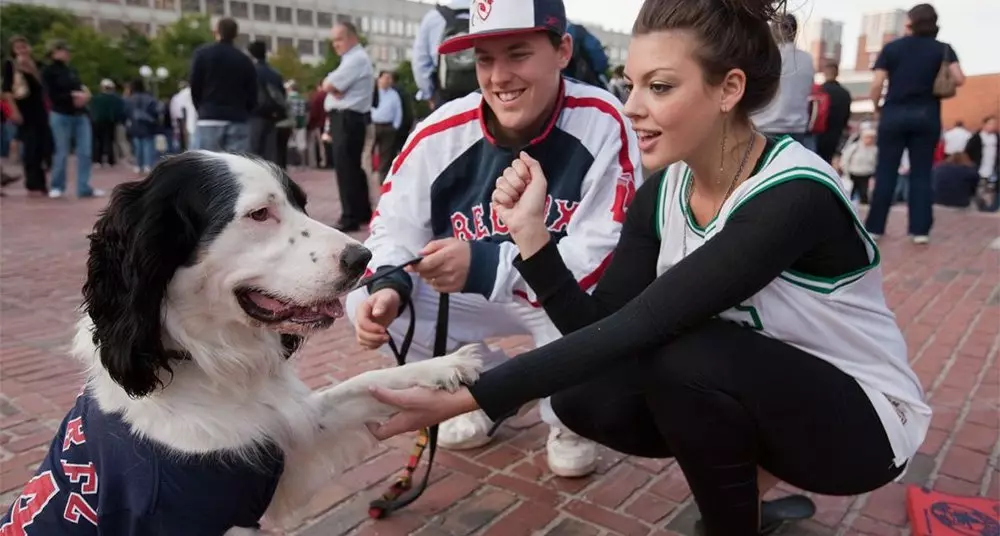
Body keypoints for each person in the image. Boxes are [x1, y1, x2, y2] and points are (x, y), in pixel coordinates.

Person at [363, 0, 931, 534]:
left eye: (660, 87)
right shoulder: (664, 190)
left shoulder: (793, 194)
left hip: (866, 426)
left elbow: (645, 324)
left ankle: (735, 516)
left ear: (729, 88)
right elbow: (592, 328)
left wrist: (471, 395)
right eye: (631, 84)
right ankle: (745, 501)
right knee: (584, 396)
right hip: (767, 394)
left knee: (686, 352)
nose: (632, 106)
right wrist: (532, 237)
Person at [347, 0, 642, 478]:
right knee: (363, 295)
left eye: (518, 54)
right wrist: (388, 285)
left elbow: (601, 257)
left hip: (555, 294)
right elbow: (392, 226)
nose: (499, 76)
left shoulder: (604, 120)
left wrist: (486, 264)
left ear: (562, 50)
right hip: (472, 291)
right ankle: (491, 392)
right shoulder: (440, 130)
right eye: (485, 58)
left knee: (595, 298)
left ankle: (567, 417)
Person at [864, 3, 965, 244]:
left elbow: (877, 83)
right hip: (927, 116)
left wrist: (877, 106)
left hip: (894, 115)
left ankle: (875, 227)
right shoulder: (943, 49)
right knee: (921, 174)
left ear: (910, 22)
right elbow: (960, 79)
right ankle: (920, 231)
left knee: (886, 172)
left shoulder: (892, 48)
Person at [321, 21, 375, 232]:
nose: (336, 44)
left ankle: (349, 216)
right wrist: (330, 86)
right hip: (349, 118)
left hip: (347, 118)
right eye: (334, 40)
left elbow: (329, 85)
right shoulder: (351, 60)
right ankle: (361, 212)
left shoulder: (356, 59)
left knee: (346, 169)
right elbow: (329, 85)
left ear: (353, 38)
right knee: (352, 167)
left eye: (340, 39)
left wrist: (331, 86)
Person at [189, 17, 257, 153]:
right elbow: (252, 92)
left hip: (210, 116)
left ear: (216, 32)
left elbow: (195, 85)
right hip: (237, 117)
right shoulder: (244, 60)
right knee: (235, 166)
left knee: (206, 166)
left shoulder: (202, 54)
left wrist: (201, 108)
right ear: (236, 35)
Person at [42, 39, 100, 199]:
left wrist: (84, 95)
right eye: (63, 50)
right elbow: (50, 94)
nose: (67, 54)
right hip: (61, 114)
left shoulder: (72, 70)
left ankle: (84, 187)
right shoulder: (48, 71)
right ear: (54, 52)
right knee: (61, 151)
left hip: (79, 114)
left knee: (85, 151)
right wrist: (71, 96)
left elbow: (80, 87)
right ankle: (57, 185)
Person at [749, 14, 814, 148]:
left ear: (782, 29)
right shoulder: (807, 59)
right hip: (797, 130)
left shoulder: (769, 55)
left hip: (766, 128)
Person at [1, 35, 50, 197]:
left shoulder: (36, 63)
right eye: (18, 48)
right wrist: (13, 111)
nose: (22, 50)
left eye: (24, 46)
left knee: (42, 146)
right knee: (30, 145)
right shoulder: (10, 65)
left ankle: (42, 182)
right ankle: (32, 183)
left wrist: (30, 68)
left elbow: (42, 85)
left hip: (39, 110)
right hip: (23, 109)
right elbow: (7, 90)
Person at [816, 61, 852, 164]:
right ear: (837, 73)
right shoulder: (845, 93)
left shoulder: (819, 91)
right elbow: (847, 116)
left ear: (824, 73)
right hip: (836, 134)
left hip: (818, 134)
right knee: (828, 163)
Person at [840, 128, 878, 204]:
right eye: (867, 137)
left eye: (871, 138)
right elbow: (845, 159)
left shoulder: (875, 149)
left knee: (864, 193)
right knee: (850, 193)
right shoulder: (854, 147)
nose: (869, 140)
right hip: (853, 173)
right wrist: (845, 171)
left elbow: (876, 162)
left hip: (867, 174)